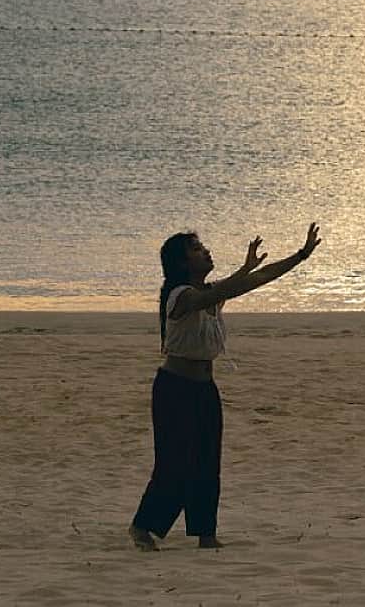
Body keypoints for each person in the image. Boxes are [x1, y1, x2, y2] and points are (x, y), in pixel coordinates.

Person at [128, 222, 322, 551]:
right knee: (175, 462)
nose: (206, 252)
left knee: (207, 461)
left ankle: (206, 534)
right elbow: (224, 291)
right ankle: (143, 526)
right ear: (182, 263)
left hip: (204, 388)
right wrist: (244, 271)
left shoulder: (209, 294)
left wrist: (301, 255)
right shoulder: (181, 296)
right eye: (197, 250)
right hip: (174, 389)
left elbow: (258, 280)